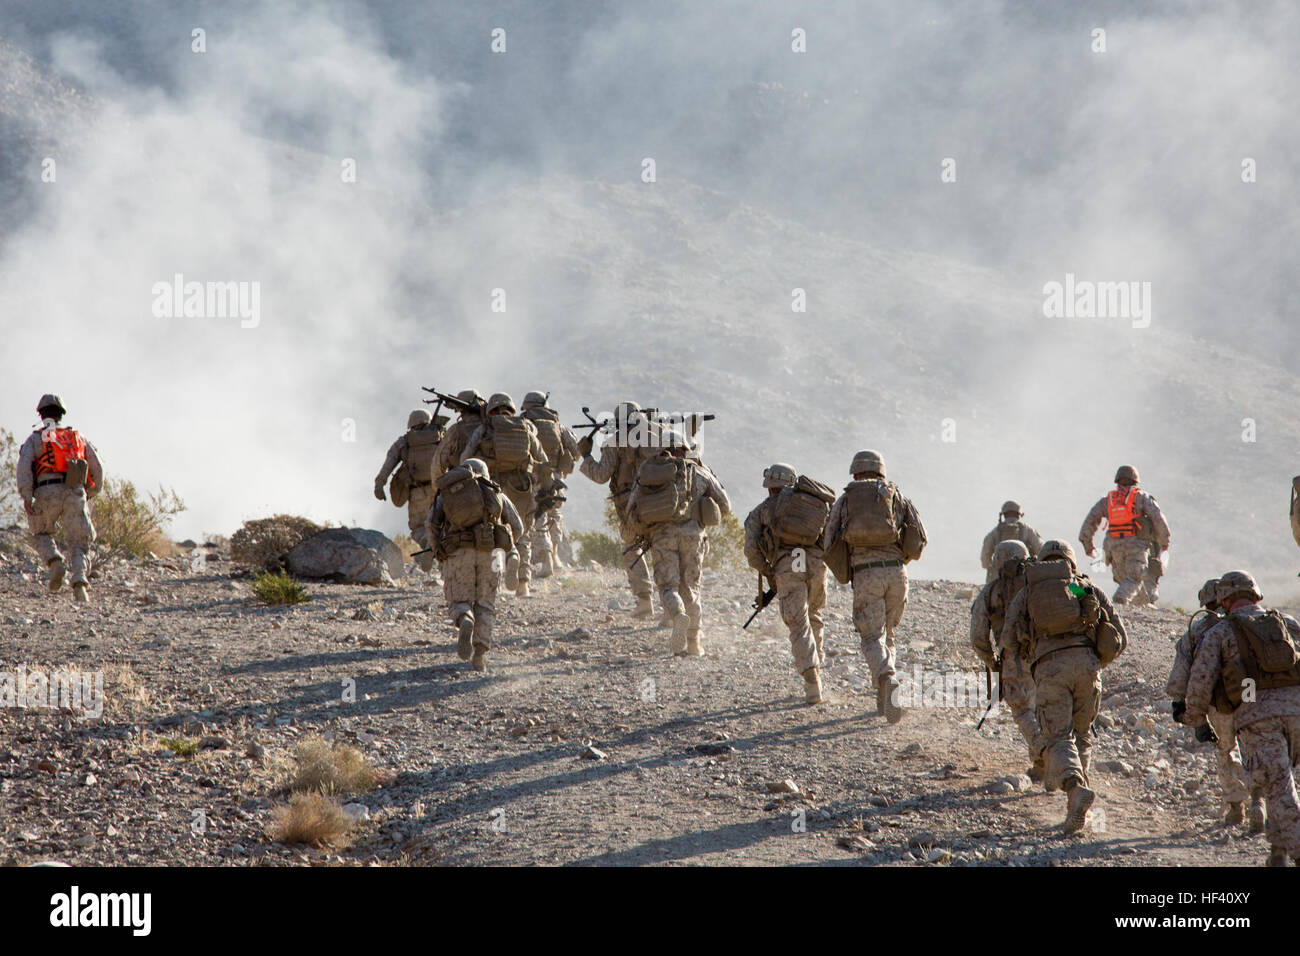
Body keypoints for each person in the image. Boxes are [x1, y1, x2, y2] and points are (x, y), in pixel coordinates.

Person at [999, 539, 1126, 834]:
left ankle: (1075, 788)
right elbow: (1119, 635)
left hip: (1050, 668)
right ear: (1071, 561)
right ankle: (1079, 808)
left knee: (1058, 736)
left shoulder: (1029, 591)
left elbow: (1008, 638)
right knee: (1082, 734)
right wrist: (1096, 662)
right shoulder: (1081, 587)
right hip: (1088, 667)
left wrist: (1028, 656)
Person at [1181, 571, 1300, 866]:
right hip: (1296, 713)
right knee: (1280, 781)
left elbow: (1200, 680)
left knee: (1280, 787)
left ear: (1224, 600)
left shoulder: (1221, 631)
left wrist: (1196, 718)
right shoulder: (1285, 622)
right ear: (1256, 594)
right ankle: (1277, 852)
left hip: (1257, 719)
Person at [823, 449, 923, 723]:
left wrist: (846, 570)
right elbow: (918, 537)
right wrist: (898, 560)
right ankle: (884, 697)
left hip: (866, 575)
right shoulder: (896, 496)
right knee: (887, 632)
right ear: (881, 472)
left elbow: (828, 541)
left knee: (871, 637)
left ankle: (887, 676)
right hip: (897, 574)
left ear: (855, 473)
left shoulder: (846, 500)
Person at [1165, 578, 1261, 830]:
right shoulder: (1249, 621)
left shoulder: (1200, 629)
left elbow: (1184, 671)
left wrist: (1183, 707)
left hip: (1220, 704)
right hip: (1251, 695)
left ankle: (1236, 807)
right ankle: (1258, 801)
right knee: (1254, 748)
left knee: (1226, 750)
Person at [625, 430, 730, 655]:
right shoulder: (700, 472)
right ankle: (694, 643)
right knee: (691, 586)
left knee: (668, 586)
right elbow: (725, 505)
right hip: (694, 536)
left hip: (662, 536)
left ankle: (677, 614)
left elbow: (631, 508)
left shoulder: (648, 472)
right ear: (684, 449)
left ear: (661, 450)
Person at [743, 463, 833, 703]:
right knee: (814, 616)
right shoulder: (815, 505)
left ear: (769, 486)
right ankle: (817, 667)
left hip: (787, 567)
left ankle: (811, 679)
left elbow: (751, 551)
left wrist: (771, 574)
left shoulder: (761, 511)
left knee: (798, 623)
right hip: (816, 565)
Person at [425, 458, 524, 671]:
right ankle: (480, 653)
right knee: (486, 604)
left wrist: (437, 549)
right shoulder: (496, 492)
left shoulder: (448, 493)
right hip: (491, 555)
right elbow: (518, 527)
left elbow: (431, 524)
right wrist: (505, 546)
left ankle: (465, 617)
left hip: (458, 553)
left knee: (458, 599)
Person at [16, 394, 103, 604]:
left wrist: (26, 495)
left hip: (46, 491)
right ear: (62, 414)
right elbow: (98, 467)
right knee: (79, 542)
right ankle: (80, 584)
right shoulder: (77, 437)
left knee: (40, 532)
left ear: (41, 415)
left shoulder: (35, 439)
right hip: (75, 491)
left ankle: (55, 562)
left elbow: (23, 467)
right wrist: (91, 492)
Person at [577, 401, 659, 618]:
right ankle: (673, 608)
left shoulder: (615, 442)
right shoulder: (656, 437)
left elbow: (601, 475)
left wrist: (586, 455)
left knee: (631, 548)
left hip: (631, 508)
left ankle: (644, 602)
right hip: (660, 503)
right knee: (664, 550)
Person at [970, 539, 1044, 780]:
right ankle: (1043, 763)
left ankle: (1046, 754)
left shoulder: (990, 592)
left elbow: (978, 637)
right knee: (1046, 707)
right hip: (1048, 655)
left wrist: (993, 662)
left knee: (1023, 710)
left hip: (1014, 658)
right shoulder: (1041, 585)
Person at [461, 393, 546, 597]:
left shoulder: (484, 429)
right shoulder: (525, 426)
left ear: (490, 410)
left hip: (493, 486)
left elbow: (465, 457)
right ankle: (523, 584)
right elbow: (542, 458)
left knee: (494, 532)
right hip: (522, 486)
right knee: (523, 533)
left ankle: (498, 577)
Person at [1079, 465, 1170, 605]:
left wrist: (1088, 545)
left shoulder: (1107, 500)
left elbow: (1090, 521)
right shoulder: (1141, 497)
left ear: (1117, 481)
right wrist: (1164, 542)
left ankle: (1139, 605)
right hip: (1136, 546)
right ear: (1135, 481)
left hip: (1112, 547)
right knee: (1134, 577)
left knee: (1124, 579)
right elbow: (1158, 518)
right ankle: (1120, 600)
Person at [373, 409, 448, 575]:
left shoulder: (405, 441)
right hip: (440, 490)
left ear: (411, 423)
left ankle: (427, 544)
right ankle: (444, 564)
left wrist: (380, 483)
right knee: (442, 526)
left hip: (417, 492)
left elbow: (390, 462)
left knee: (418, 527)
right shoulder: (441, 436)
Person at [520, 391, 580, 577]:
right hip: (556, 479)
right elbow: (576, 451)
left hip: (534, 477)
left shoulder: (523, 423)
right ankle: (555, 557)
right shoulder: (558, 425)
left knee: (538, 518)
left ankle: (546, 561)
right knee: (554, 515)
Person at [979, 501, 1042, 583]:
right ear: (1019, 514)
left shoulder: (995, 531)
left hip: (999, 576)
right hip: (1023, 574)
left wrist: (991, 567)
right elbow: (1040, 549)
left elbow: (985, 557)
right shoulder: (1028, 530)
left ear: (1003, 514)